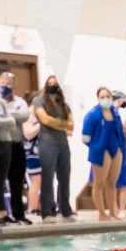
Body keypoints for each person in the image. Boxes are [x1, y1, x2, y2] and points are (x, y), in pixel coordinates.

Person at [32, 75, 75, 221]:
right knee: (48, 176)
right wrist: (62, 124)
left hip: (63, 143)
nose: (53, 84)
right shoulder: (38, 101)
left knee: (64, 176)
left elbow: (72, 125)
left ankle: (65, 210)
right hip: (47, 142)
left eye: (55, 82)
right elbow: (45, 119)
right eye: (50, 82)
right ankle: (47, 211)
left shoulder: (64, 105)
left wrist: (55, 122)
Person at [82, 87, 126, 221]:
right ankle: (102, 213)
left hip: (115, 149)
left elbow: (118, 131)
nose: (105, 99)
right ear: (98, 99)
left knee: (112, 183)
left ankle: (113, 212)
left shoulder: (115, 113)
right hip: (101, 150)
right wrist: (96, 147)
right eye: (102, 97)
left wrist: (119, 148)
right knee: (99, 184)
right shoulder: (93, 115)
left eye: (108, 96)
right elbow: (85, 137)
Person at [0, 74, 29, 224]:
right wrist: (9, 119)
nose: (6, 85)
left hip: (15, 144)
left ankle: (18, 213)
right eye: (3, 82)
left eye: (9, 83)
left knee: (16, 181)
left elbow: (24, 116)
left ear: (13, 85)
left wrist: (7, 116)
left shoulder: (20, 101)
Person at [111, 90, 126, 218]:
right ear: (120, 99)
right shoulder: (113, 112)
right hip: (116, 150)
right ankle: (118, 209)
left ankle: (119, 209)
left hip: (120, 149)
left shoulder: (115, 112)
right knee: (118, 180)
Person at [21, 94, 40, 220]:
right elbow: (28, 134)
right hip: (31, 154)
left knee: (40, 182)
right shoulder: (28, 116)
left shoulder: (37, 116)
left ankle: (37, 207)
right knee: (35, 181)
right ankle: (31, 209)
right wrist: (40, 124)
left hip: (39, 152)